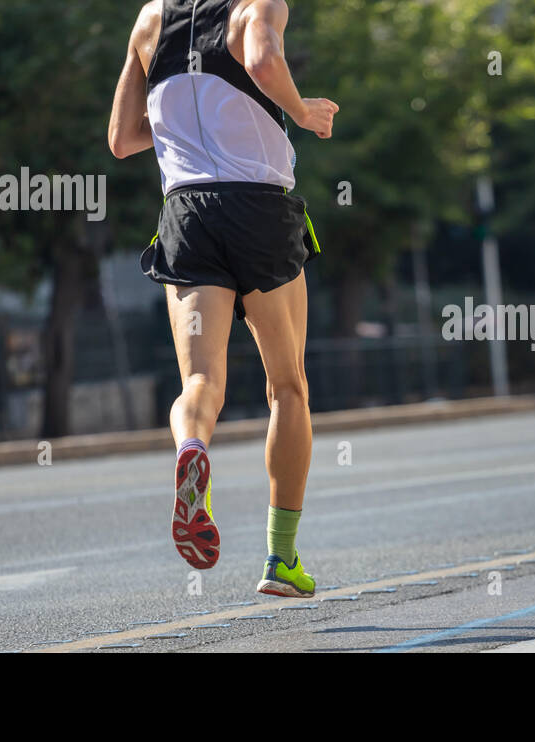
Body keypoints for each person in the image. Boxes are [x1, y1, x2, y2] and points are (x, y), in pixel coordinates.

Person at [107, 0, 339, 597]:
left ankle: (191, 448)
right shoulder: (256, 5)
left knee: (200, 382)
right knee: (286, 386)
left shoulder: (151, 19)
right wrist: (303, 111)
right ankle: (281, 560)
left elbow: (122, 139)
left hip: (186, 214)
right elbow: (262, 62)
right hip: (259, 208)